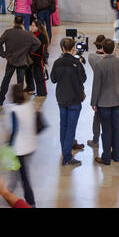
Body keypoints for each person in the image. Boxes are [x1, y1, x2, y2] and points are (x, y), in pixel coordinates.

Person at [88, 38, 119, 165]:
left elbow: (96, 85)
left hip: (104, 102)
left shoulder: (100, 65)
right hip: (117, 99)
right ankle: (116, 155)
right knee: (117, 128)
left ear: (103, 49)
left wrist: (93, 102)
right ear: (114, 48)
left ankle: (106, 157)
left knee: (106, 130)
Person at [50, 37, 86, 166]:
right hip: (75, 99)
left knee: (63, 126)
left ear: (62, 48)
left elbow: (53, 79)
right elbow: (84, 78)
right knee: (71, 128)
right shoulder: (76, 63)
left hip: (61, 98)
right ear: (73, 48)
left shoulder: (57, 63)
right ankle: (66, 156)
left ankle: (65, 150)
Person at [7, 85, 38, 206]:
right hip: (31, 146)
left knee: (23, 177)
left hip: (20, 149)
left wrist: (9, 145)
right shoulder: (29, 106)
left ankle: (30, 202)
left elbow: (14, 130)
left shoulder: (14, 110)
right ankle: (8, 194)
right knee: (20, 174)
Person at [0, 20, 38, 106]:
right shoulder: (27, 34)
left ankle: (0, 100)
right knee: (20, 83)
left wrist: (3, 54)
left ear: (14, 22)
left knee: (6, 80)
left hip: (11, 61)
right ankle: (19, 101)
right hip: (22, 62)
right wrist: (28, 52)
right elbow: (37, 43)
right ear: (22, 23)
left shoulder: (8, 32)